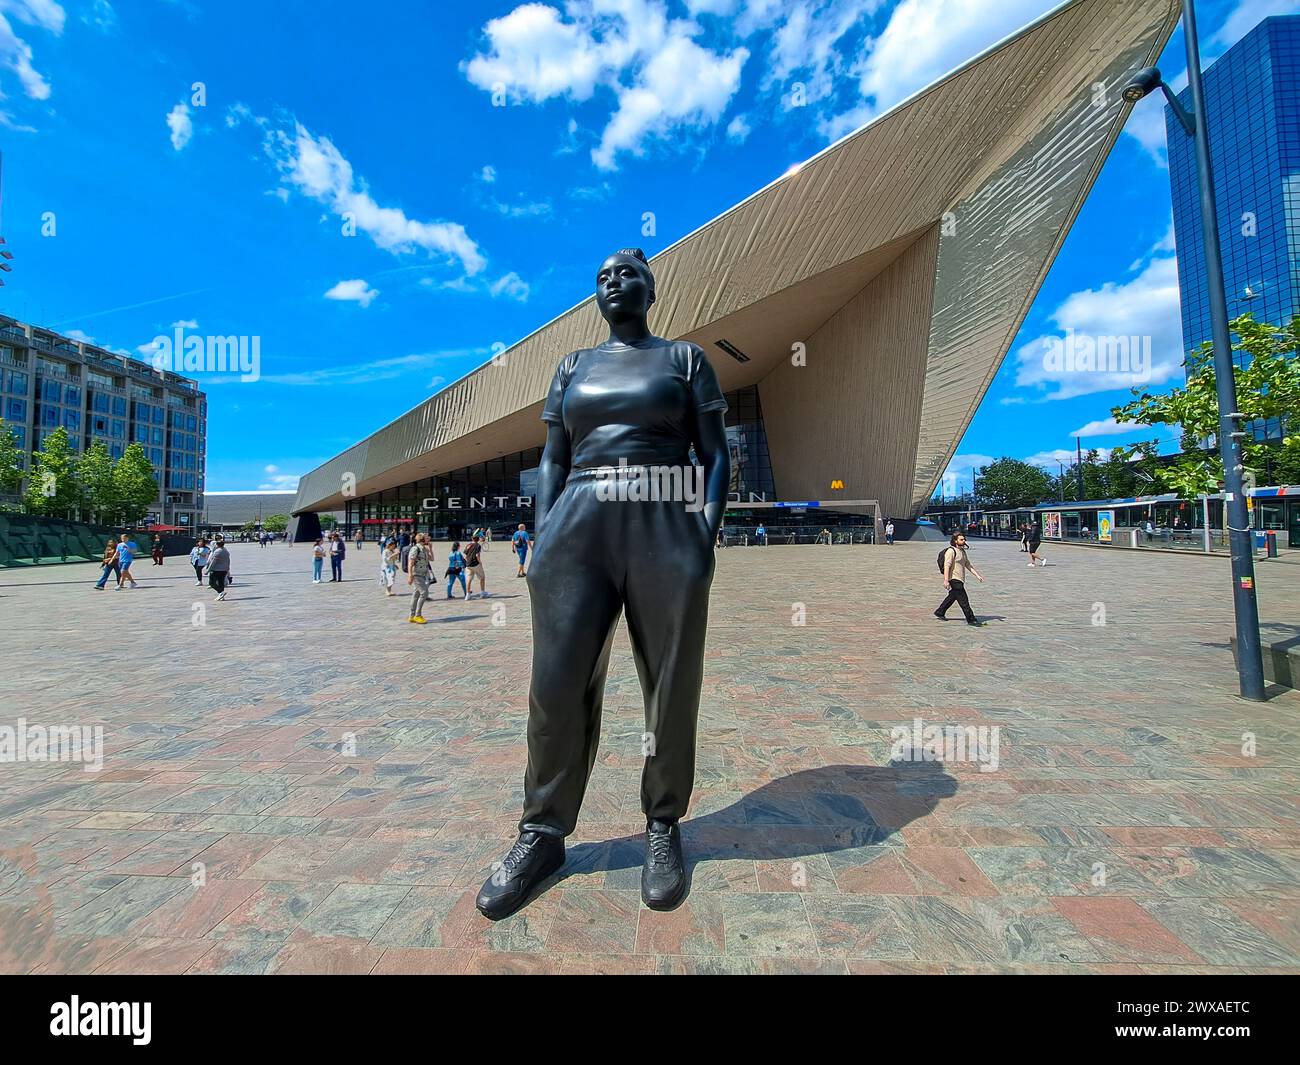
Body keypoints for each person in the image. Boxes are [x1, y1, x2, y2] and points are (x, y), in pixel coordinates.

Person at [476, 247, 729, 921]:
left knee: (671, 683)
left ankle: (663, 824)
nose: (615, 281)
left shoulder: (685, 360)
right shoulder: (572, 368)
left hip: (664, 514)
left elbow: (716, 452)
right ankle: (542, 832)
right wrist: (542, 538)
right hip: (578, 525)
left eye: (628, 273)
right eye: (603, 276)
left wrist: (703, 534)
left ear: (651, 287)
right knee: (555, 685)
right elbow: (552, 459)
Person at [935, 532, 986, 626]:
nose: (964, 541)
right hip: (954, 579)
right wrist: (946, 580)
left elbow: (968, 565)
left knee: (952, 596)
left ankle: (940, 612)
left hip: (960, 578)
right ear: (955, 541)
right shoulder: (951, 551)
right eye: (961, 539)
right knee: (963, 600)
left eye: (964, 539)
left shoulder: (962, 551)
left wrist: (977, 575)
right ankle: (971, 619)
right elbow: (947, 565)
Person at [407, 532, 434, 623]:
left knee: (416, 595)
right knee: (424, 593)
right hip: (416, 574)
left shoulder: (424, 549)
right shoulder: (415, 549)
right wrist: (410, 575)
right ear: (423, 539)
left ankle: (411, 615)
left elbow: (432, 559)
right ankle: (418, 615)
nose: (429, 538)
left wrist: (430, 549)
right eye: (427, 537)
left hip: (423, 574)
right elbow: (410, 563)